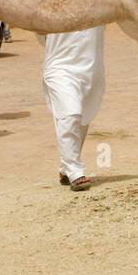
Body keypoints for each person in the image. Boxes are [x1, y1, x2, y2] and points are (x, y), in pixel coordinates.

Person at [42, 27, 106, 192]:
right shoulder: (51, 3)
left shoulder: (99, 2)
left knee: (83, 118)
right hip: (60, 67)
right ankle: (75, 171)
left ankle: (66, 167)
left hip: (91, 69)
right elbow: (39, 31)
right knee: (70, 114)